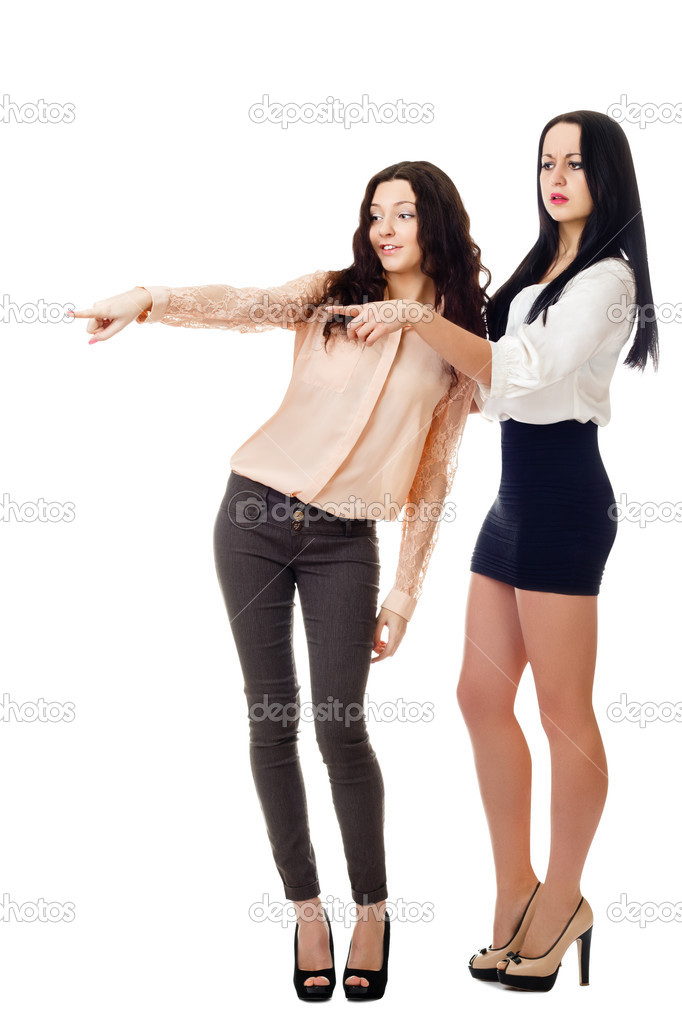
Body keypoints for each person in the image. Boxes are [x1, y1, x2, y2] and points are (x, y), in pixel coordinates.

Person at [68, 161, 489, 1000]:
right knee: (272, 719)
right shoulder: (331, 292)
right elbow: (242, 304)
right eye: (376, 212)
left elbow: (436, 473)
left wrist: (405, 592)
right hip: (252, 521)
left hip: (346, 542)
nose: (386, 227)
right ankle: (306, 909)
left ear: (434, 221)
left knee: (341, 728)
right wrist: (147, 299)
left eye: (404, 213)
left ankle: (371, 906)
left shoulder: (451, 335)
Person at [327, 111, 658, 993]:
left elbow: (523, 372)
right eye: (547, 160)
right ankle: (514, 886)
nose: (557, 176)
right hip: (513, 500)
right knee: (478, 694)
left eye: (576, 163)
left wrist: (413, 318)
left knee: (564, 715)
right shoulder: (541, 262)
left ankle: (564, 899)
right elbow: (490, 377)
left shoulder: (609, 280)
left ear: (607, 176)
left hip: (565, 502)